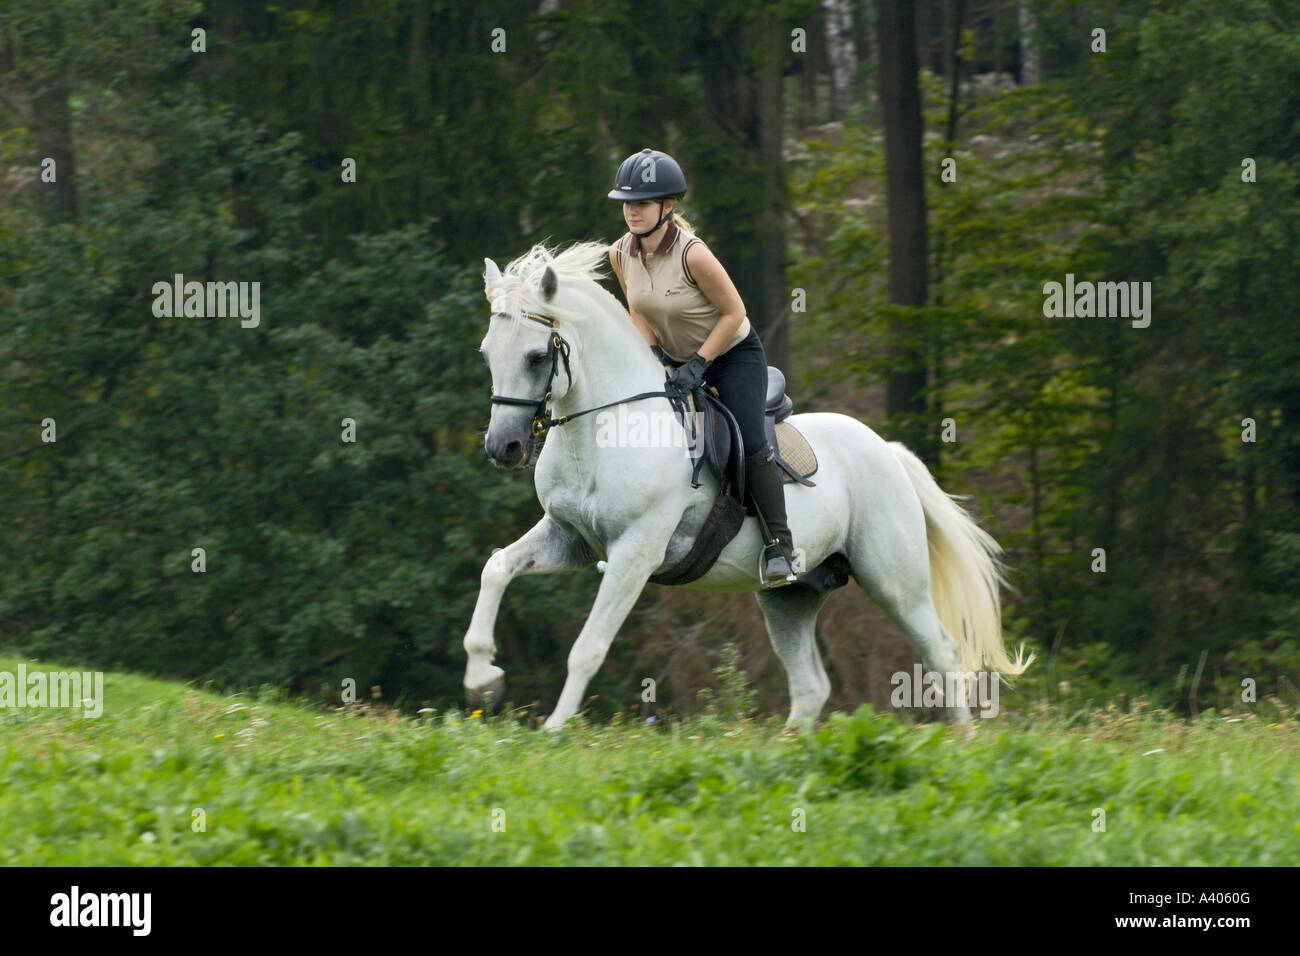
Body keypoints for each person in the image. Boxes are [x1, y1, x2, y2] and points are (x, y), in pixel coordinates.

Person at [606, 147, 802, 587]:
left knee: (749, 437)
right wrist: (654, 354)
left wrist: (698, 364)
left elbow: (734, 313)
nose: (631, 211)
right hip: (673, 359)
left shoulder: (694, 255)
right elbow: (636, 309)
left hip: (732, 355)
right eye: (627, 202)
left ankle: (781, 547)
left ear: (668, 207)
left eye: (642, 203)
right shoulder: (620, 253)